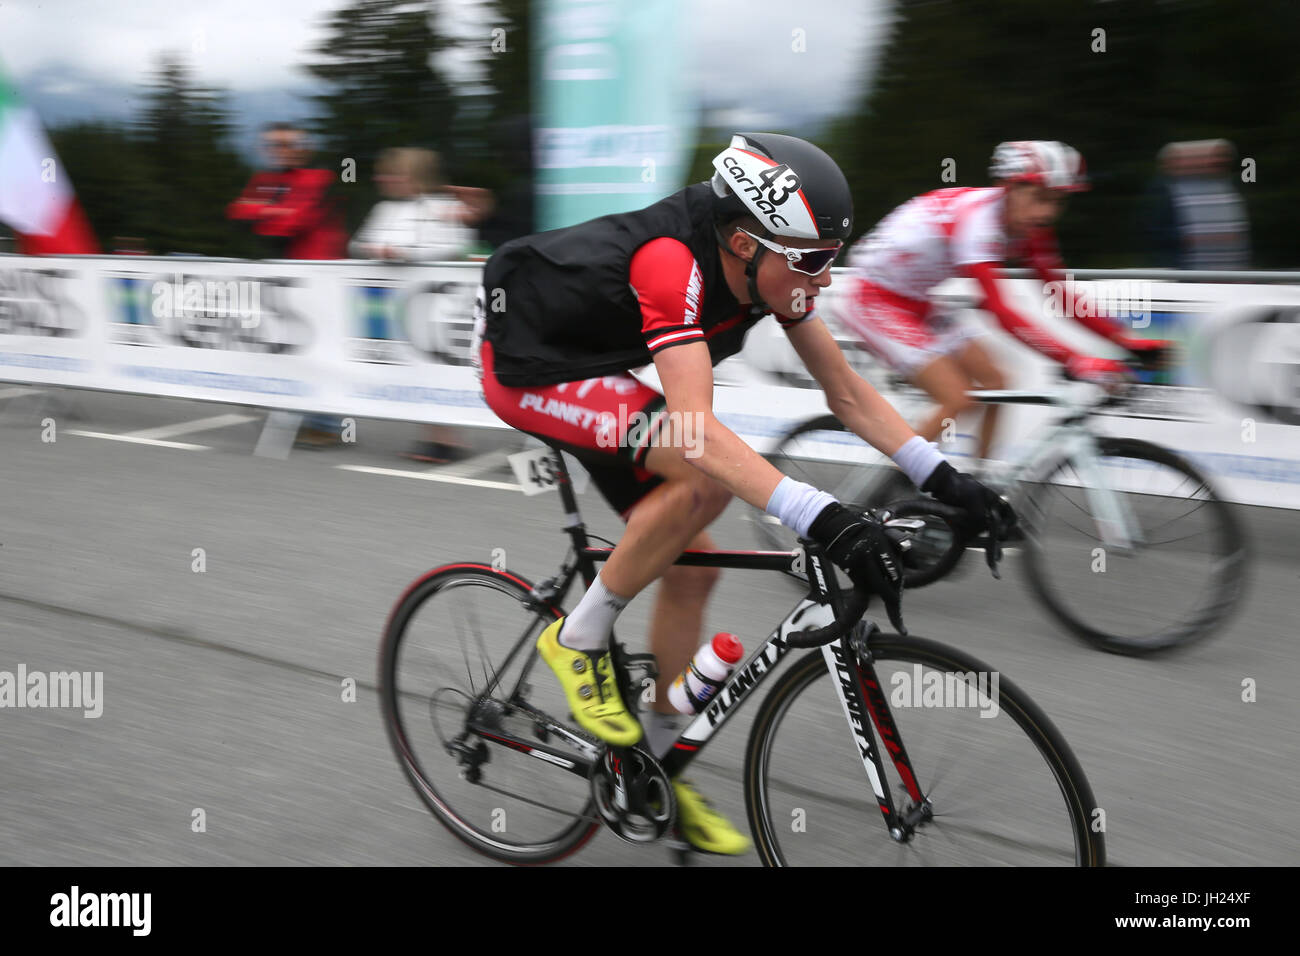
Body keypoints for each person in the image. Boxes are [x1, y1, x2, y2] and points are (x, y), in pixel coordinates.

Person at [473, 132, 1014, 855]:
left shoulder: (772, 269)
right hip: (529, 367)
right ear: (741, 242)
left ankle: (658, 768)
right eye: (813, 261)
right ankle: (577, 639)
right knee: (701, 475)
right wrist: (821, 515)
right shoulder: (671, 263)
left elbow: (847, 393)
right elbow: (696, 431)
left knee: (696, 573)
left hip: (599, 365)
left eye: (832, 258)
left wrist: (945, 478)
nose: (824, 280)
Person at [841, 140, 1171, 468]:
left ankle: (979, 487)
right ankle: (897, 484)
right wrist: (1074, 359)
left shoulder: (1031, 227)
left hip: (919, 301)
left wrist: (1122, 338)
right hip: (872, 298)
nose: (1047, 213)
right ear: (1010, 187)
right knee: (957, 397)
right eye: (1040, 198)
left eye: (1057, 202)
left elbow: (1059, 293)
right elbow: (1001, 310)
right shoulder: (979, 222)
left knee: (996, 384)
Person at [349, 147, 491, 463]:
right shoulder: (384, 209)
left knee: (438, 365)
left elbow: (458, 245)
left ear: (414, 176)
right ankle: (438, 438)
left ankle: (449, 438)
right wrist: (376, 250)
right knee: (417, 367)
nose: (384, 179)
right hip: (398, 303)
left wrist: (404, 253)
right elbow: (357, 243)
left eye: (393, 173)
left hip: (439, 301)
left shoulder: (443, 207)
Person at [228, 122, 348, 447]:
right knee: (287, 346)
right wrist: (275, 211)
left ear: (304, 148)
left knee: (319, 349)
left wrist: (266, 213)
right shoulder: (264, 180)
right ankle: (298, 413)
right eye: (272, 145)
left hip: (320, 277)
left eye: (286, 145)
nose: (279, 151)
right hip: (284, 278)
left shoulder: (320, 179)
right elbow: (237, 212)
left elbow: (293, 223)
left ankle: (326, 424)